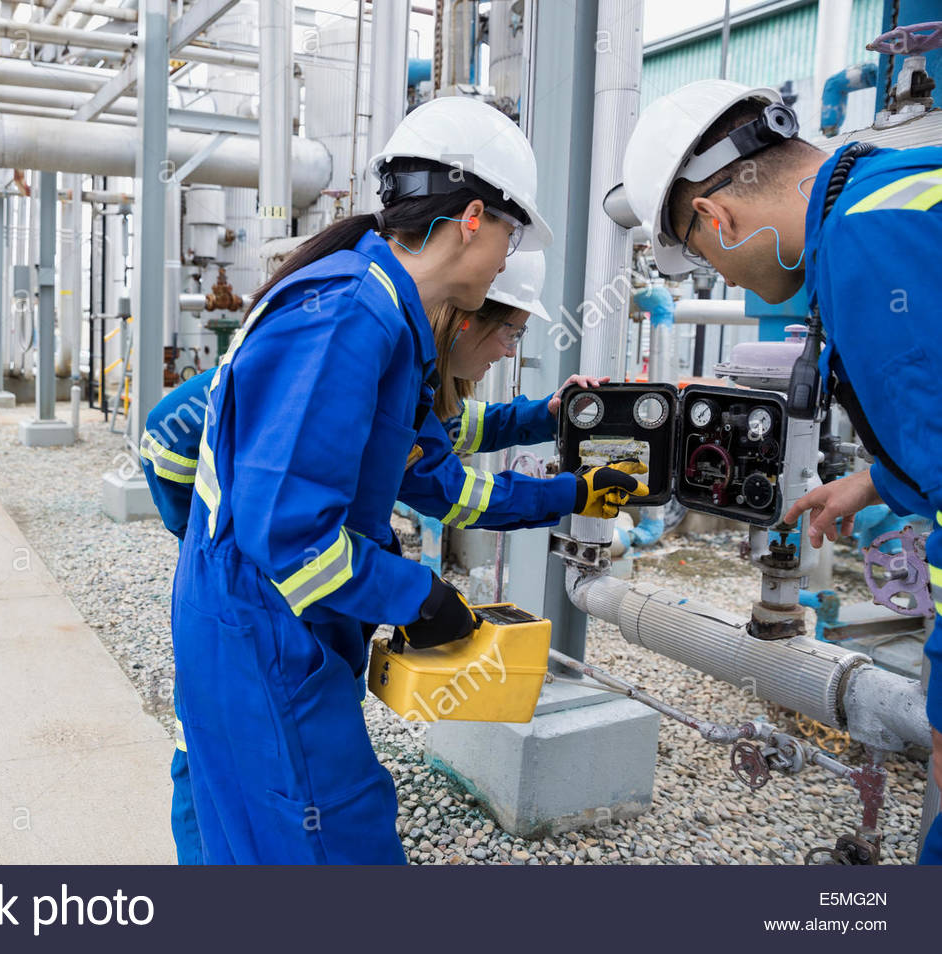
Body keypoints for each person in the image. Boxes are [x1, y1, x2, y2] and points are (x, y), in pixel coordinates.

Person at [164, 95, 646, 865]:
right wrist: (418, 595)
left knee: (251, 840)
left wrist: (555, 460)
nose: (503, 262)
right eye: (510, 236)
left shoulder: (381, 312)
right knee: (329, 841)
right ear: (474, 219)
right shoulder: (349, 317)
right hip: (263, 631)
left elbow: (426, 457)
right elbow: (291, 540)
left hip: (262, 620)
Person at [617, 78, 942, 864]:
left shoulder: (867, 248)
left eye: (704, 261)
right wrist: (875, 484)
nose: (726, 281)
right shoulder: (898, 195)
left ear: (716, 220)